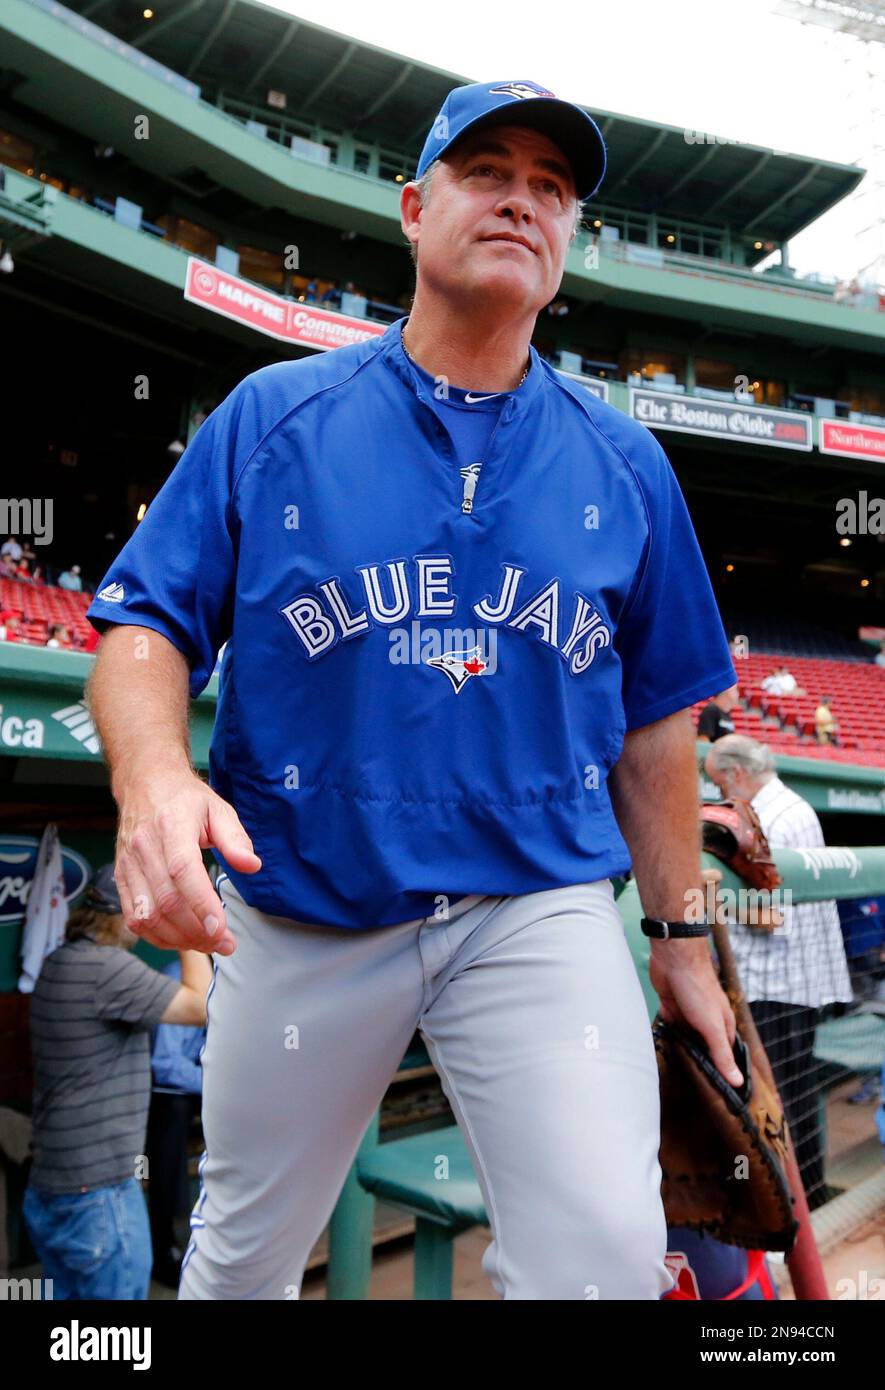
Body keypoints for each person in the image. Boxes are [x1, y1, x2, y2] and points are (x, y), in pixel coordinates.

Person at [84, 77, 742, 1302]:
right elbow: (142, 625)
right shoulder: (273, 418)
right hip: (300, 905)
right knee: (239, 1266)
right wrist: (156, 776)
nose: (522, 200)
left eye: (552, 187)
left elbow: (661, 721)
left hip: (534, 905)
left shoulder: (626, 464)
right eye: (488, 171)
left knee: (604, 1259)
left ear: (567, 244)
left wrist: (682, 939)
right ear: (411, 207)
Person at [23, 864, 212, 1299]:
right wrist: (184, 929)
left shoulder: (58, 961)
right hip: (98, 1194)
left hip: (51, 1186)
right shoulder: (105, 969)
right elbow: (201, 1005)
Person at [704, 735, 853, 1210]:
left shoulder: (771, 816)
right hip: (798, 976)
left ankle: (792, 1203)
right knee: (798, 1089)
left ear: (736, 774)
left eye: (719, 783)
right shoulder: (795, 805)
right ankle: (807, 1195)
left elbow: (770, 914)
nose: (720, 795)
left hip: (776, 980)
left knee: (778, 1094)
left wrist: (715, 903)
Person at [145, 956, 206, 1288]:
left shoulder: (228, 974)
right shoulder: (176, 976)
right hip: (160, 1091)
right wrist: (216, 1083)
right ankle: (163, 1250)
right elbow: (165, 1065)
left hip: (193, 1082)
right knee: (173, 1113)